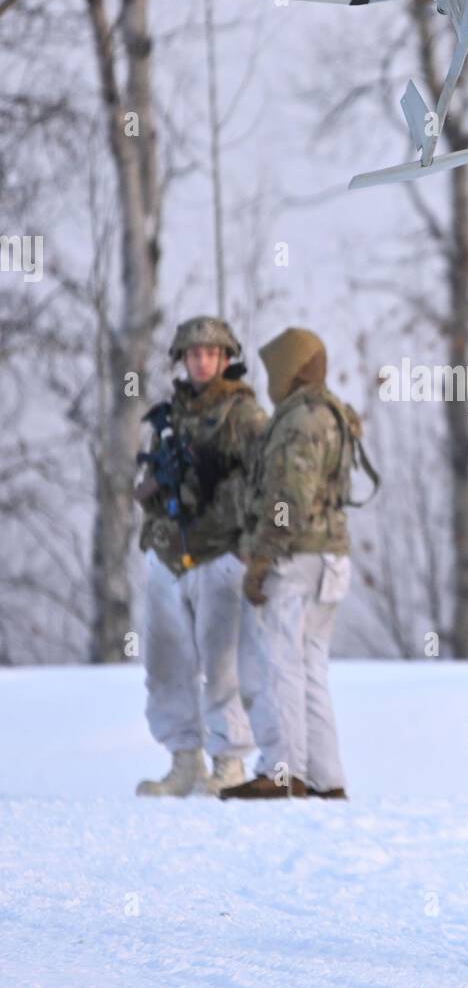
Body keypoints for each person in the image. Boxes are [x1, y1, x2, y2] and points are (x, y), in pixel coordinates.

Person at [220, 327, 377, 801]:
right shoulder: (329, 413)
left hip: (297, 558)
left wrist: (261, 558)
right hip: (329, 556)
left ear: (291, 369)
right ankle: (325, 779)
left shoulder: (299, 421)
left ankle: (282, 772)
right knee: (309, 667)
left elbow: (288, 499)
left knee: (281, 664)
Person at [135, 316, 268, 796]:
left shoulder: (244, 415)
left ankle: (229, 760)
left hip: (221, 553)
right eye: (194, 354)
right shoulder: (166, 418)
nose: (202, 361)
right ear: (182, 360)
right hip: (170, 553)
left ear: (226, 358)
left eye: (211, 353)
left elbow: (267, 483)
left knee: (223, 663)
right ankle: (184, 759)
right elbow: (144, 483)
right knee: (166, 662)